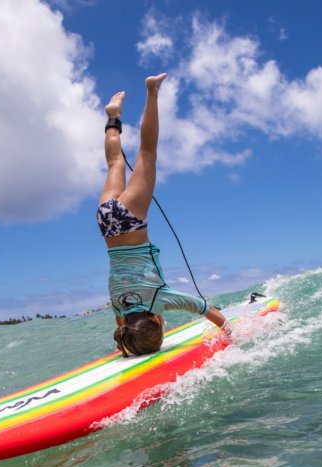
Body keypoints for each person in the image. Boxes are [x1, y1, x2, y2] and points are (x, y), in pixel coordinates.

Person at [97, 73, 229, 357]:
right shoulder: (120, 311)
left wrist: (232, 332)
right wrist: (123, 350)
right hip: (106, 223)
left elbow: (205, 309)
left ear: (157, 319)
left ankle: (152, 91)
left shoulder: (160, 300)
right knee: (115, 163)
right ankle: (113, 117)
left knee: (147, 153)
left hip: (130, 221)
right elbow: (123, 330)